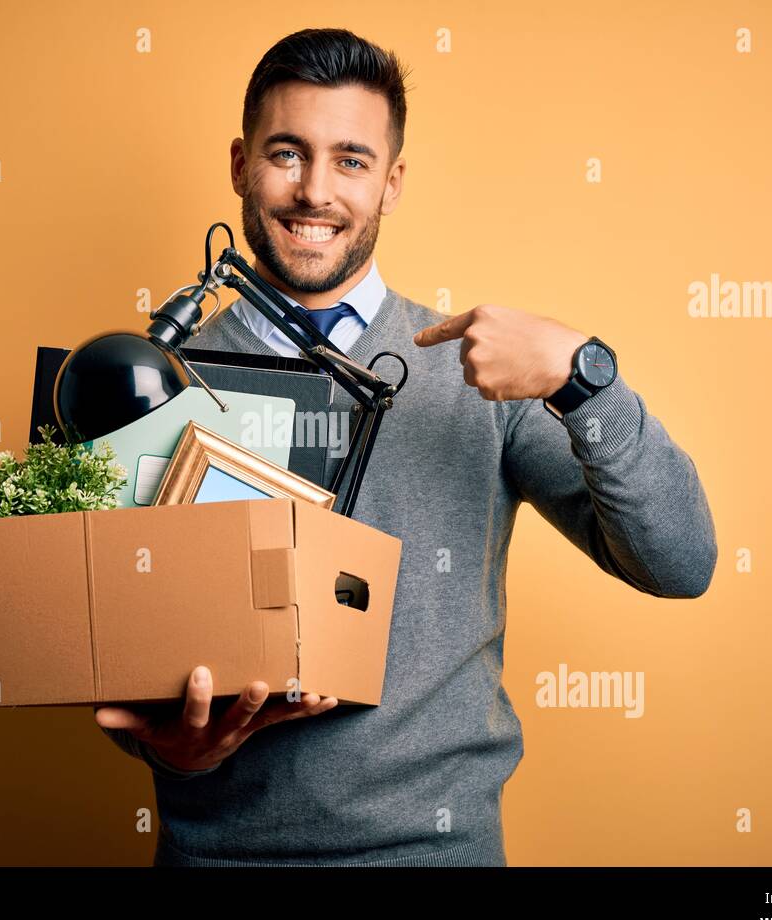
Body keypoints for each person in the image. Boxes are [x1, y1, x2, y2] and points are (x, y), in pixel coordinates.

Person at [94, 27, 717, 867]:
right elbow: (105, 643)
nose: (315, 191)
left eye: (351, 160)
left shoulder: (482, 376)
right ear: (240, 164)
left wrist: (584, 378)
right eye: (288, 153)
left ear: (390, 184)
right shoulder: (153, 383)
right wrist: (166, 748)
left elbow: (681, 563)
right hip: (215, 855)